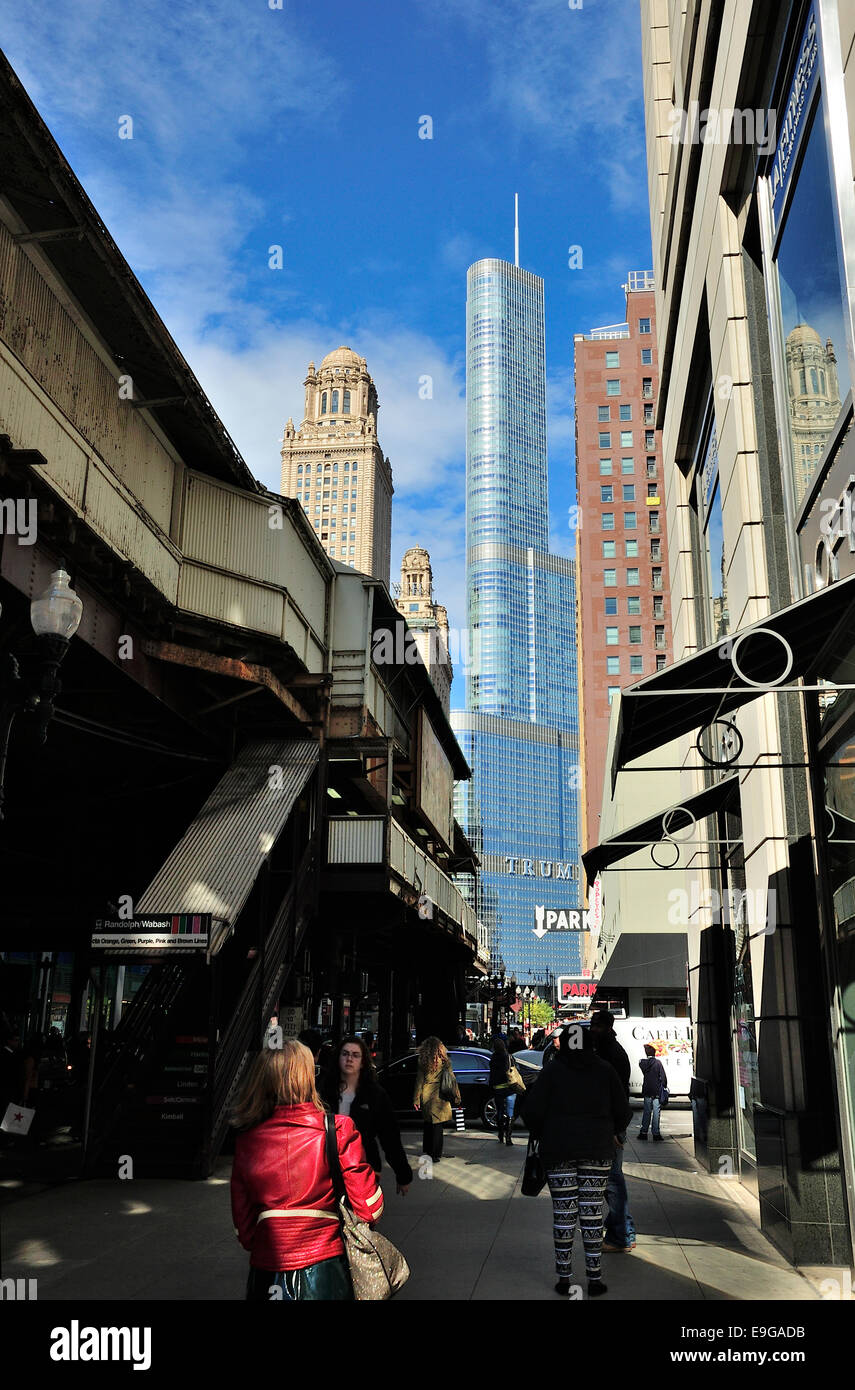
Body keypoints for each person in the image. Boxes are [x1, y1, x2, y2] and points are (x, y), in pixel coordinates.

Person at [230, 1040, 383, 1301]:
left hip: (265, 1274)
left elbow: (245, 1231)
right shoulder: (338, 1130)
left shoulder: (247, 1139)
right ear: (307, 1078)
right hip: (325, 1272)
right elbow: (369, 1209)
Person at [524, 1026, 632, 1298]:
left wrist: (543, 1130)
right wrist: (613, 1130)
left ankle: (564, 1277)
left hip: (558, 1150)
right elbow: (623, 1110)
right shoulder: (604, 1070)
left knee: (564, 1212)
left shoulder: (552, 1071)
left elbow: (532, 1110)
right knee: (592, 1211)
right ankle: (594, 1279)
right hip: (597, 1149)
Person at [319, 1036, 412, 1195]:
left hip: (364, 1166)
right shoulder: (324, 1090)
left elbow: (390, 1138)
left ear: (363, 1062)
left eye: (355, 1055)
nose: (349, 1059)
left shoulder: (375, 1095)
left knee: (361, 1215)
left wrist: (403, 1175)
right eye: (345, 1054)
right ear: (338, 1057)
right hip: (327, 1166)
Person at [589, 1010, 636, 1253]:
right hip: (610, 1126)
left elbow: (617, 1097)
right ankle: (624, 1231)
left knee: (611, 1181)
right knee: (612, 1179)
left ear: (608, 1027)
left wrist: (616, 1130)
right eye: (592, 1025)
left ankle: (621, 1236)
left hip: (610, 1127)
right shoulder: (606, 1051)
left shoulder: (612, 1054)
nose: (592, 1030)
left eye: (597, 1025)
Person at [413, 1036, 460, 1164]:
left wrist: (416, 1100)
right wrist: (457, 1096)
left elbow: (419, 1081)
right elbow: (452, 1079)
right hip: (440, 1096)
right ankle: (435, 1153)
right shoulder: (445, 1061)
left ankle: (427, 1150)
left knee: (428, 1123)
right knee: (438, 1126)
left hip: (427, 1095)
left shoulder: (422, 1060)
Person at [489, 1037, 518, 1145]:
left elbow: (492, 1074)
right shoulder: (508, 1057)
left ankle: (500, 1134)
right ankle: (508, 1138)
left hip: (498, 1088)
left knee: (500, 1111)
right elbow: (514, 1069)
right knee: (510, 1112)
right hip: (509, 1088)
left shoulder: (493, 1059)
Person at [638, 1044, 668, 1140]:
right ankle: (656, 1133)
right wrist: (664, 1086)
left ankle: (643, 1132)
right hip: (656, 1091)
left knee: (647, 1111)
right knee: (656, 1112)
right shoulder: (658, 1063)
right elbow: (663, 1078)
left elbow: (642, 1065)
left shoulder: (643, 1063)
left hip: (647, 1090)